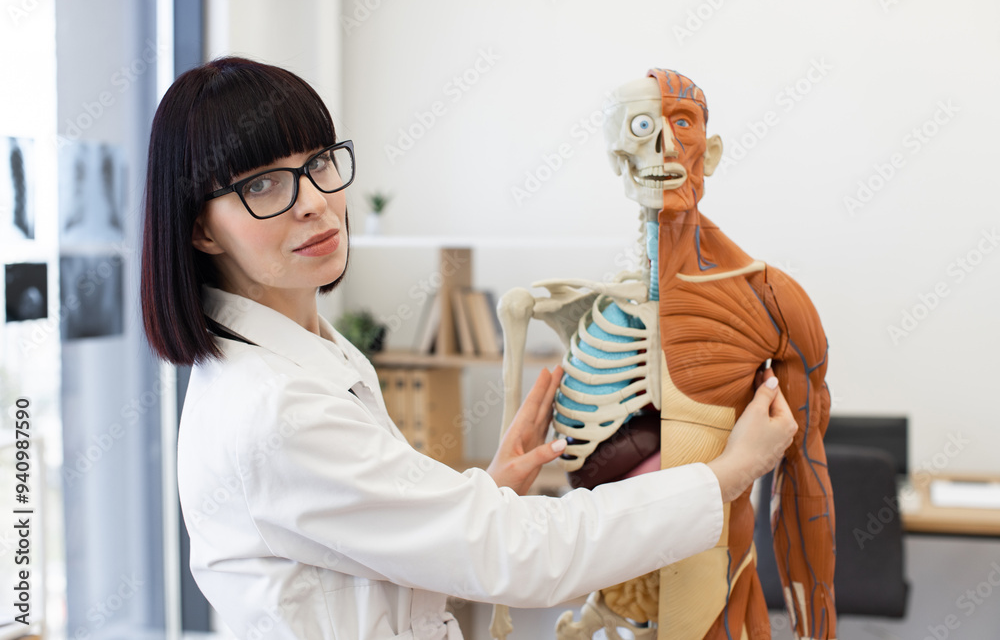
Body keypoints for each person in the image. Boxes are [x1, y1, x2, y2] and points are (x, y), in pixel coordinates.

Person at [140, 56, 797, 640]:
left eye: (317, 163)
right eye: (261, 184)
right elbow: (520, 553)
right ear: (201, 229)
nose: (314, 201)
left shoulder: (317, 356)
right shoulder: (276, 409)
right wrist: (729, 474)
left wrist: (487, 489)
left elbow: (376, 550)